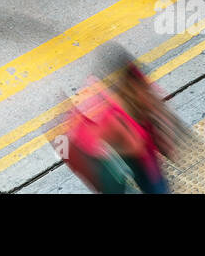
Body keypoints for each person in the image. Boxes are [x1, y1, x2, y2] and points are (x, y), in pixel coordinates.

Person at [60, 46, 174, 193]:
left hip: (136, 163)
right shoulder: (113, 111)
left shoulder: (130, 94)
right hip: (129, 165)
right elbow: (134, 145)